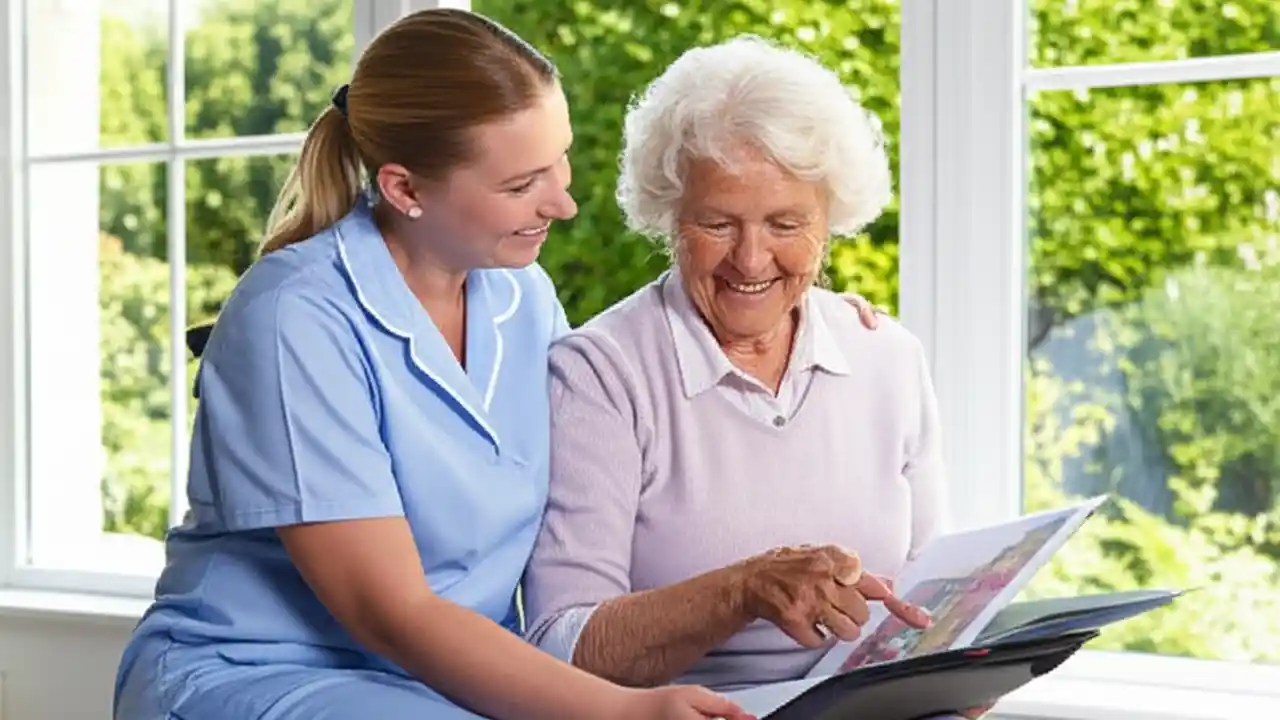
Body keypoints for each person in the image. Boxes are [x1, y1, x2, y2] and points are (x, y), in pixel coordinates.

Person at [111, 10, 763, 720]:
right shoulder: (293, 316)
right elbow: (391, 611)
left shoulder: (521, 293)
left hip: (438, 684)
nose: (565, 202)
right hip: (259, 673)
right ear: (405, 190)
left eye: (560, 160)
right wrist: (624, 712)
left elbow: (623, 401)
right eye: (521, 185)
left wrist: (799, 317)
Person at [522, 35, 975, 714]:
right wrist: (740, 591)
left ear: (831, 222)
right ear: (669, 213)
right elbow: (562, 648)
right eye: (718, 223)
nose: (752, 258)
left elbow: (933, 596)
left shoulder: (889, 358)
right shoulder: (601, 374)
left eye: (786, 223)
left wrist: (959, 672)